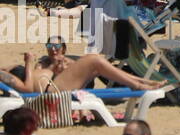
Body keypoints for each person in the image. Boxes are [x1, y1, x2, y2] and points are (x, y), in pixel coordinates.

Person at [6, 39, 163, 93]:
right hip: (52, 91)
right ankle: (139, 84)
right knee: (94, 60)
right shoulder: (5, 76)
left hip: (52, 85)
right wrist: (28, 64)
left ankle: (141, 82)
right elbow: (26, 89)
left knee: (96, 65)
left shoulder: (6, 71)